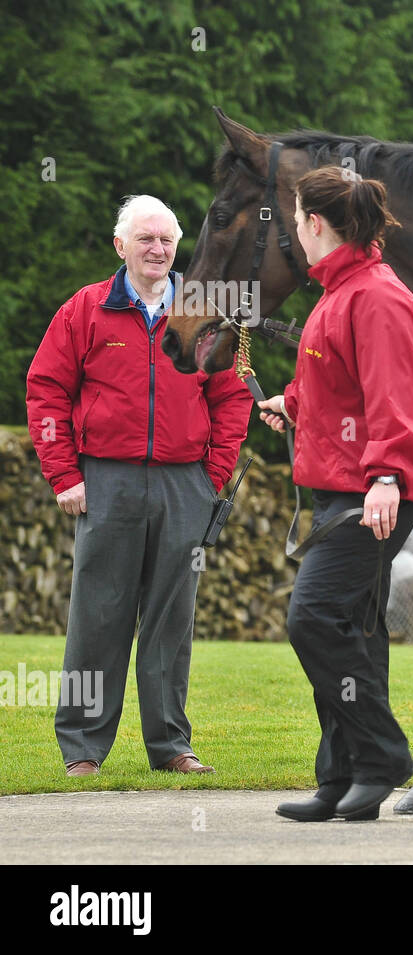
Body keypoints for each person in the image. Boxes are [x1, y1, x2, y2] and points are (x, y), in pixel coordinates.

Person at [26, 195, 252, 777]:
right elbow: (46, 389)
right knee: (97, 617)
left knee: (172, 620)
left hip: (184, 483)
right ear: (120, 245)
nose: (157, 249)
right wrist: (64, 474)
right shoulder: (85, 309)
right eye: (146, 239)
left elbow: (231, 399)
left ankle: (172, 745)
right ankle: (82, 749)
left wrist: (212, 478)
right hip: (106, 480)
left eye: (167, 240)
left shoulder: (203, 312)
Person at [257, 166, 413, 821]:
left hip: (372, 491)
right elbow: (340, 383)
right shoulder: (341, 290)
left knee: (313, 618)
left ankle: (381, 756)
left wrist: (386, 475)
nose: (293, 232)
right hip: (346, 487)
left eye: (296, 219)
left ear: (315, 223)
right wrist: (293, 403)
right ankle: (340, 780)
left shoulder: (377, 296)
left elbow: (396, 394)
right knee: (353, 630)